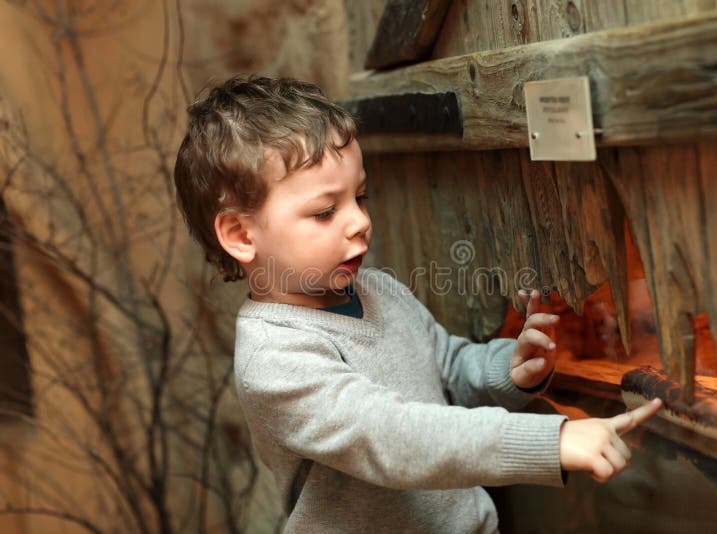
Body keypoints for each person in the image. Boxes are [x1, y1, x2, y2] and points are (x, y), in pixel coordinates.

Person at [173, 75, 662, 533]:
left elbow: (444, 367)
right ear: (241, 235)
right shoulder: (272, 360)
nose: (359, 222)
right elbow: (392, 436)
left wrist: (507, 370)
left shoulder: (379, 290)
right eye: (325, 211)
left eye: (360, 197)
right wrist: (550, 441)